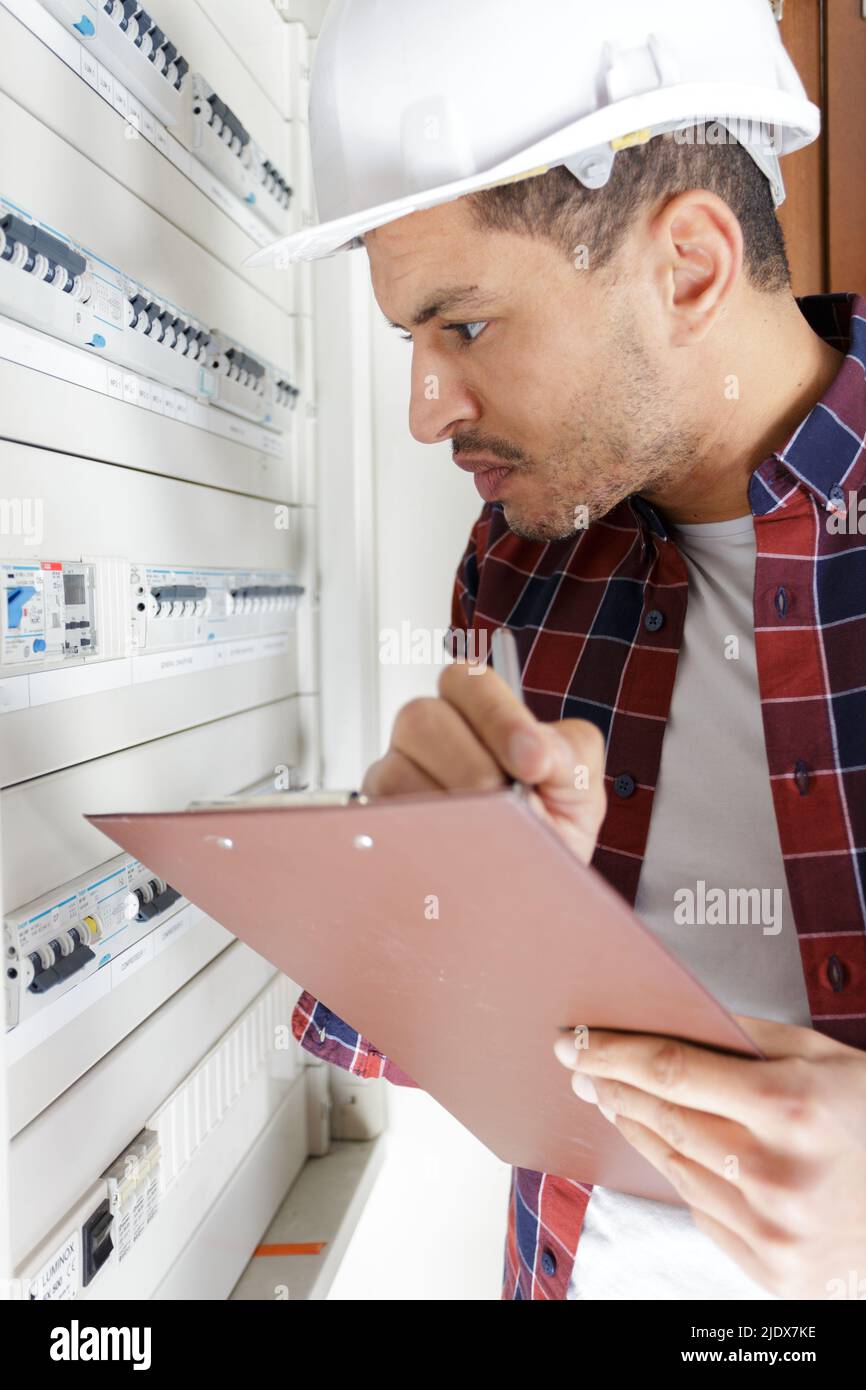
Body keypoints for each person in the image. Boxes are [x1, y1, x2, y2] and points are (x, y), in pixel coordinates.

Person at [253, 0, 866, 1299]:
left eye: (461, 326)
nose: (428, 411)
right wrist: (439, 895)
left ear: (688, 267)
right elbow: (467, 1036)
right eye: (408, 343)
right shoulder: (520, 556)